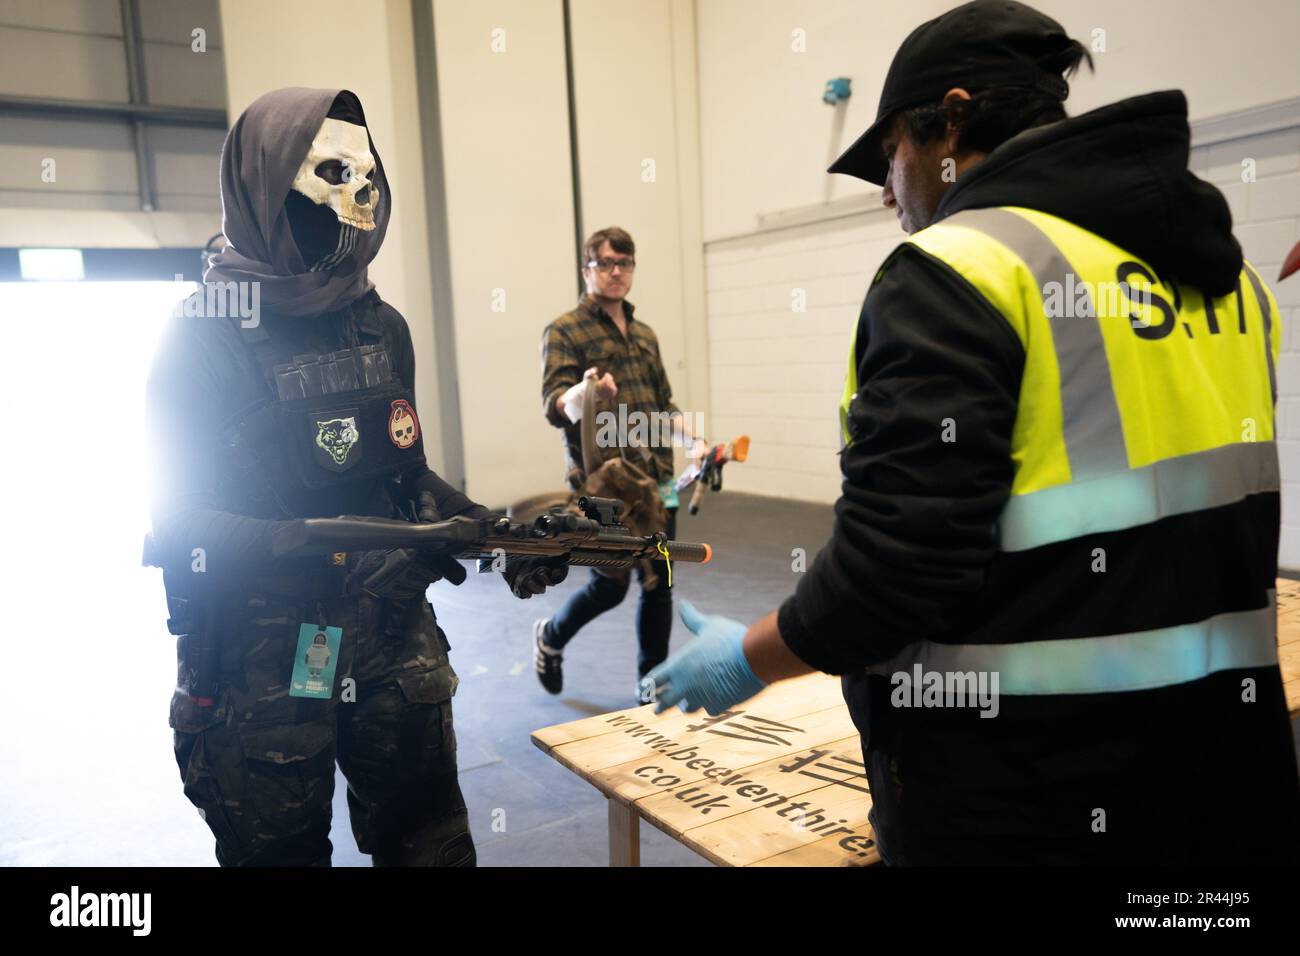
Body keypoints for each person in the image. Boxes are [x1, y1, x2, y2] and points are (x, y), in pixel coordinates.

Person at [646, 0, 1300, 865]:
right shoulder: (1230, 282)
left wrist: (753, 655)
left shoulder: (958, 273)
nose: (888, 190)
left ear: (952, 121)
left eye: (891, 154)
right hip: (1227, 783)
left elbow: (897, 565)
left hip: (1026, 798)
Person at [146, 87, 565, 867]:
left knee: (432, 850)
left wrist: (497, 534)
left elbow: (405, 478)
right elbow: (175, 521)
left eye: (367, 175)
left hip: (391, 643)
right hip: (262, 667)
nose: (358, 196)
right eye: (332, 173)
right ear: (265, 185)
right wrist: (306, 542)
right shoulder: (201, 338)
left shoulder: (379, 324)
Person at [537, 227, 707, 702]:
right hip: (606, 486)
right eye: (606, 264)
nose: (616, 272)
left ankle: (649, 688)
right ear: (586, 269)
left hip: (659, 482)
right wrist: (585, 390)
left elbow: (664, 406)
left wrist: (697, 441)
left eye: (624, 264)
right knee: (610, 587)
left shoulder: (646, 335)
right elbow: (554, 407)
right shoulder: (565, 330)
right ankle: (551, 635)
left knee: (660, 584)